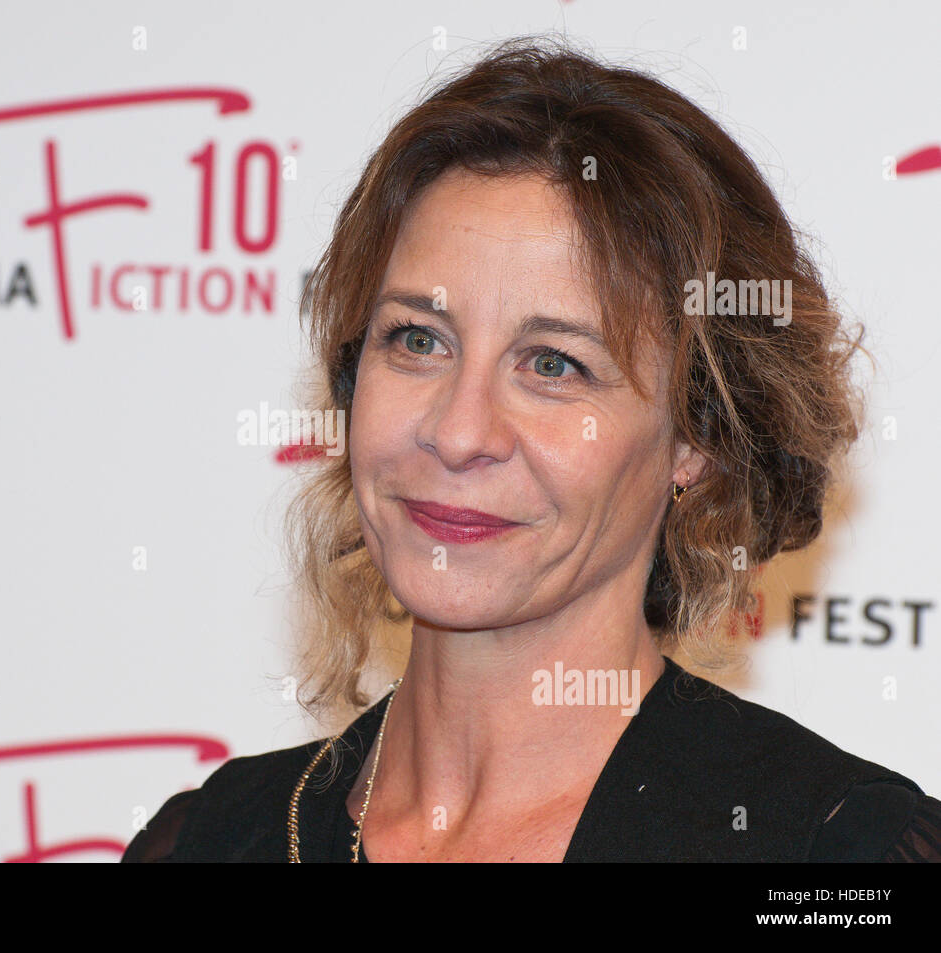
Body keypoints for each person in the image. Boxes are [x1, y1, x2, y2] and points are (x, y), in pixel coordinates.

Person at [123, 36, 940, 862]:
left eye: (554, 365)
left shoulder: (830, 849)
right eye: (418, 339)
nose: (458, 431)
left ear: (696, 441)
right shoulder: (219, 837)